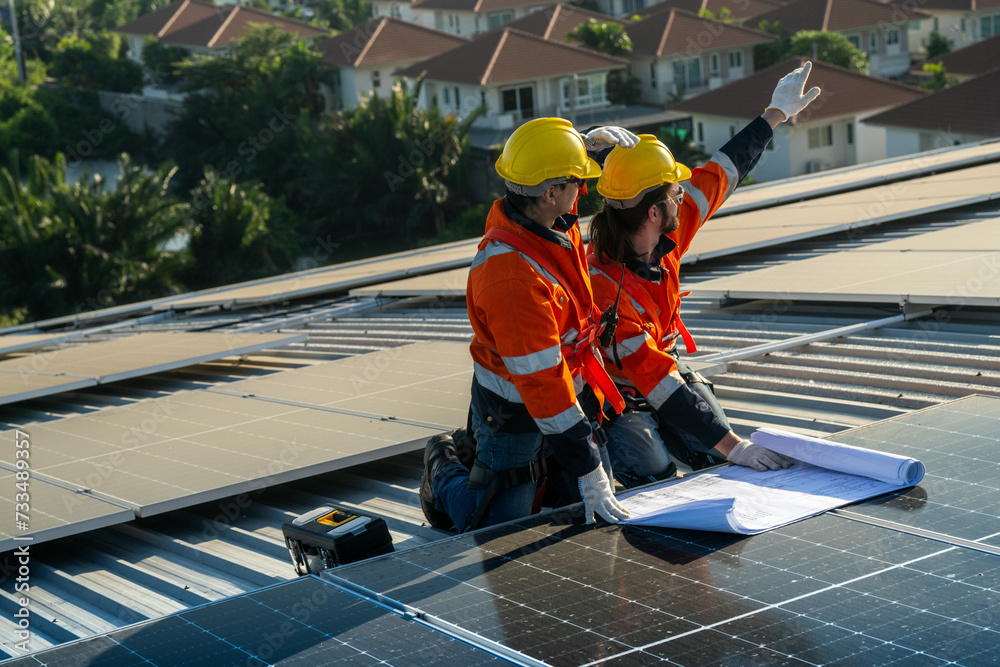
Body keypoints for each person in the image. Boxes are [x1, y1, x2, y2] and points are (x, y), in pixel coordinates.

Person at [587, 61, 822, 485]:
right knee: (655, 473)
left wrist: (775, 114)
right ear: (655, 211)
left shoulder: (664, 236)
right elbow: (655, 380)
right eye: (675, 191)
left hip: (663, 372)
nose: (684, 194)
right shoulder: (604, 288)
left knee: (714, 454)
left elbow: (720, 175)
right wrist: (737, 446)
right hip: (617, 396)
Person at [420, 117, 641, 531]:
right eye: (577, 180)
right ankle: (443, 466)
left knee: (590, 507)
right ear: (550, 193)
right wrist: (589, 472)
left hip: (568, 388)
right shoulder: (510, 278)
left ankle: (557, 472)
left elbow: (558, 388)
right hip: (513, 409)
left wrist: (581, 149)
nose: (584, 189)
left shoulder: (546, 217)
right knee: (497, 527)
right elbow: (543, 387)